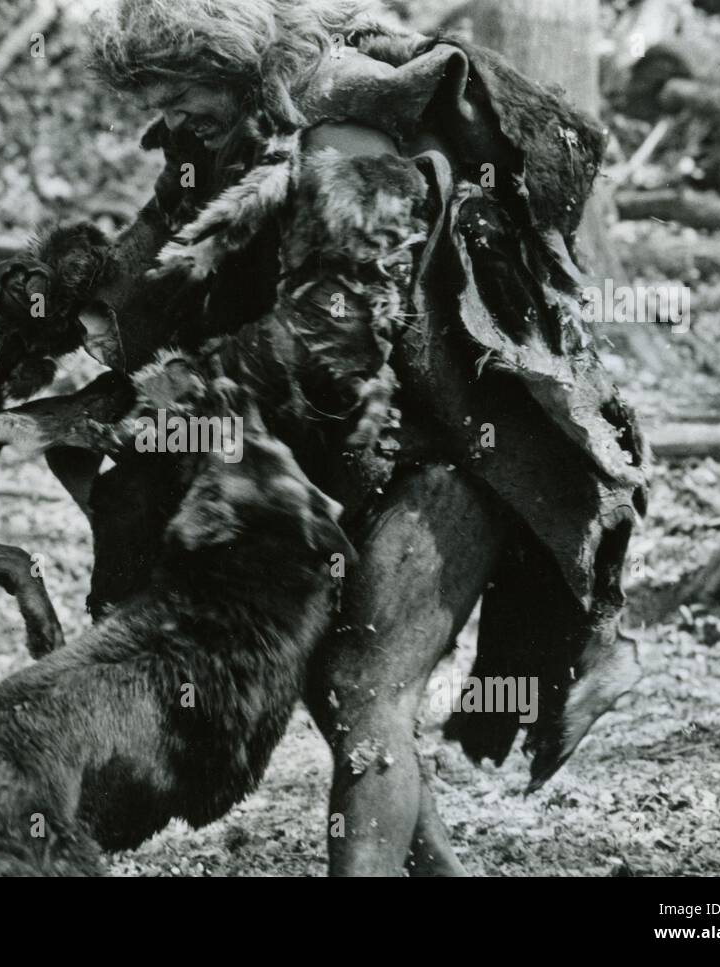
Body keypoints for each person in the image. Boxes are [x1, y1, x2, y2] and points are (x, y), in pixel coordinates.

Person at [38, 0, 647, 875]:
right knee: (343, 692)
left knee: (365, 689)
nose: (167, 120)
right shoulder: (223, 142)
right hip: (348, 451)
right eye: (157, 102)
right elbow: (151, 262)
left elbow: (334, 332)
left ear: (234, 64)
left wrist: (189, 391)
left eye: (179, 95)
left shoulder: (346, 140)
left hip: (458, 450)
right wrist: (57, 305)